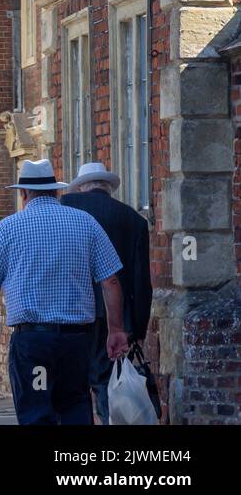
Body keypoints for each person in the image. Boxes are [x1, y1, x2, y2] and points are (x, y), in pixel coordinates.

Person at [0, 158, 128, 425]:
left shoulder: (7, 228)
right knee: (74, 409)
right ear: (56, 191)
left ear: (23, 193)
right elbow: (111, 281)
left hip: (33, 343)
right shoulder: (85, 222)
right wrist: (115, 330)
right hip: (75, 342)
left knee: (36, 410)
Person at [62, 161, 153, 424]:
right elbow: (140, 281)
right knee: (105, 379)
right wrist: (135, 328)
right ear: (108, 188)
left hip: (70, 309)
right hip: (113, 314)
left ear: (81, 187)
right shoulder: (133, 219)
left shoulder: (66, 208)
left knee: (71, 378)